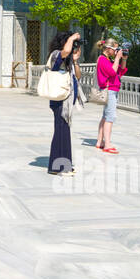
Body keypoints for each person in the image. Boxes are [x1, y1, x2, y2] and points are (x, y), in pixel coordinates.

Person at [46, 31, 82, 173]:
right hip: (59, 100)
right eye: (70, 42)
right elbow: (66, 50)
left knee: (64, 131)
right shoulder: (56, 55)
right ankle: (57, 166)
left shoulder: (68, 59)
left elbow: (78, 76)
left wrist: (75, 61)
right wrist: (73, 37)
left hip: (67, 101)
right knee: (61, 131)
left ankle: (63, 164)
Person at [95, 39, 127, 154]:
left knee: (105, 116)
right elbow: (112, 73)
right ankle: (107, 144)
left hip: (112, 90)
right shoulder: (102, 60)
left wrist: (123, 59)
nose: (116, 52)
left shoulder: (108, 60)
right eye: (115, 50)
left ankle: (100, 141)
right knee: (110, 117)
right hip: (109, 90)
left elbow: (120, 71)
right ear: (109, 49)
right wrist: (117, 58)